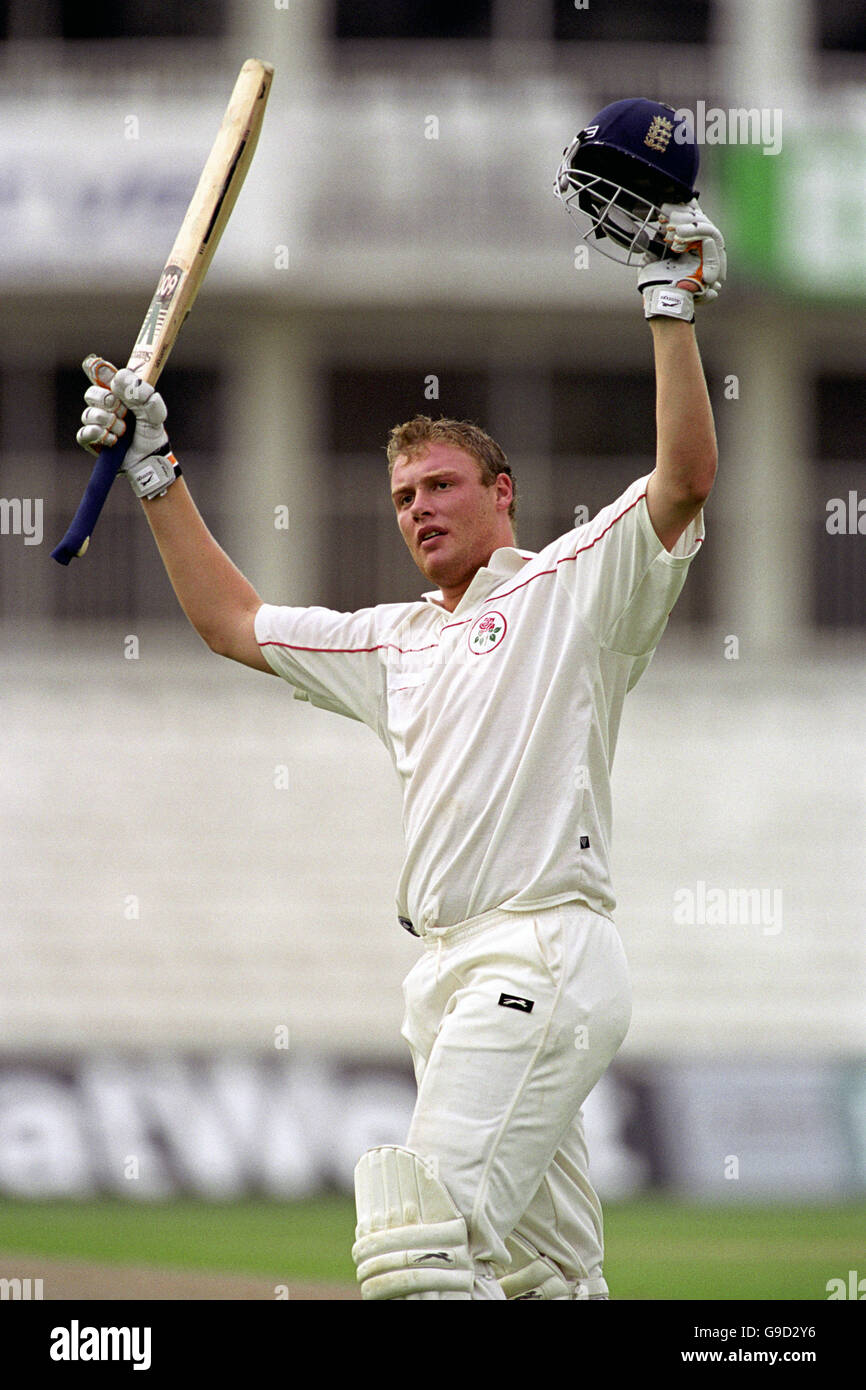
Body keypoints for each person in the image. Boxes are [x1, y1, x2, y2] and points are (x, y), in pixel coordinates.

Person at [76, 198, 724, 1301]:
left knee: (415, 1252)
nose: (418, 510)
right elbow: (235, 623)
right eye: (402, 498)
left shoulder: (571, 587)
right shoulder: (395, 641)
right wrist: (157, 468)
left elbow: (682, 480)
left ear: (500, 493)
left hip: (537, 957)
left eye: (440, 487)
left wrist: (665, 302)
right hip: (444, 977)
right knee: (547, 1285)